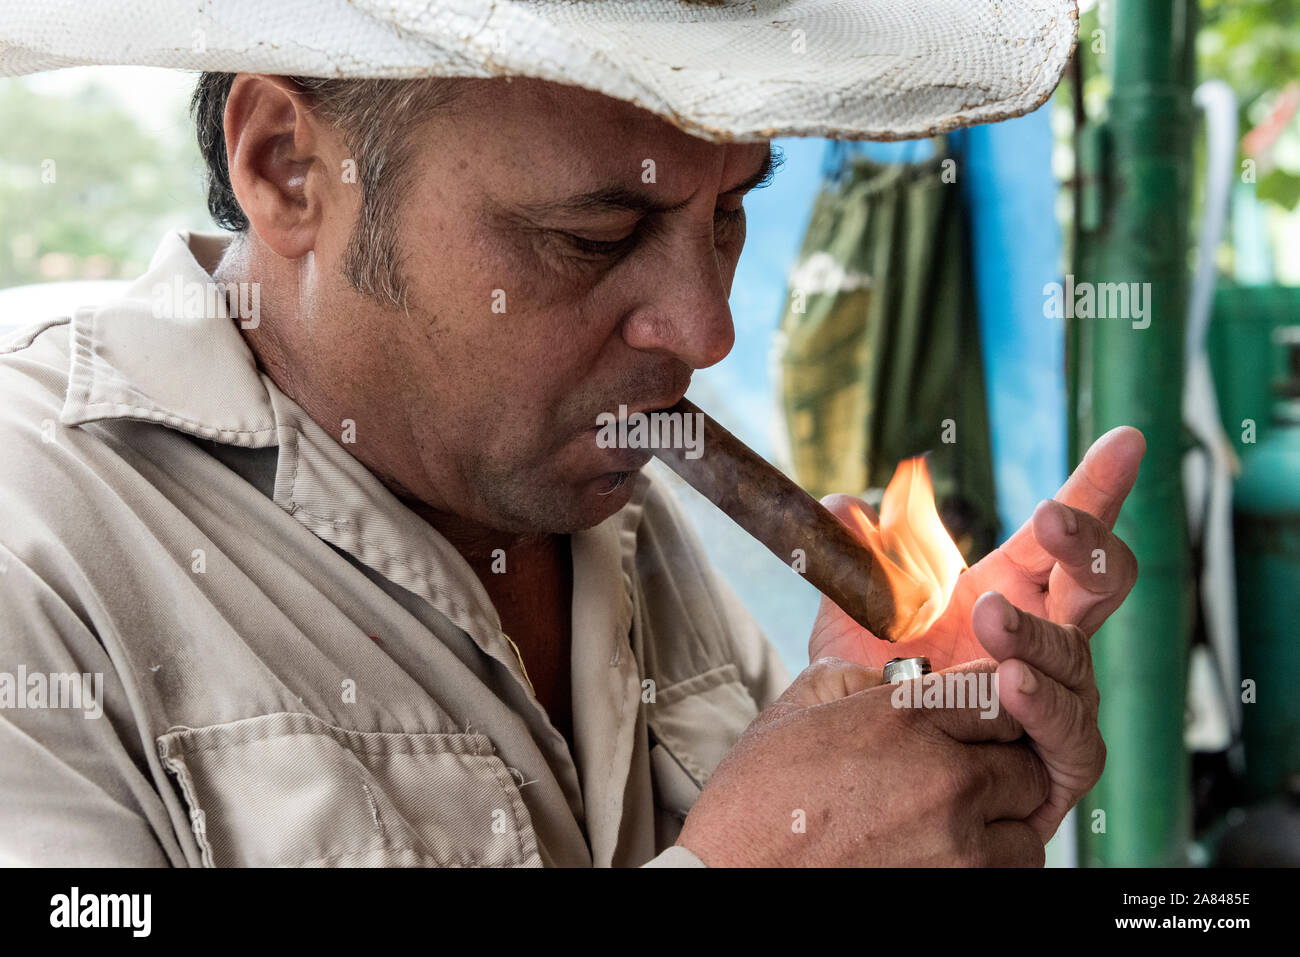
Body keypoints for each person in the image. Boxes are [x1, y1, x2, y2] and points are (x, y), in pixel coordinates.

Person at [0, 1, 1133, 867]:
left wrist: (884, 768)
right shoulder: (36, 554)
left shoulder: (616, 496)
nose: (704, 328)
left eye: (727, 211)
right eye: (593, 236)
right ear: (289, 168)